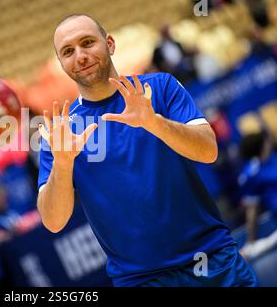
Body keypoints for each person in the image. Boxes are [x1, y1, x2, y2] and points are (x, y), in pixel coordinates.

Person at [37, 14, 257, 287]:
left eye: (87, 43)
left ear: (110, 44)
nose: (80, 56)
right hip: (141, 281)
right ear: (61, 64)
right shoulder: (60, 133)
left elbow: (208, 150)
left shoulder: (160, 88)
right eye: (68, 51)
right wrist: (63, 162)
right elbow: (53, 221)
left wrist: (154, 122)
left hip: (213, 259)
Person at [238, 131, 277, 260]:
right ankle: (251, 250)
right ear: (262, 146)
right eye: (266, 141)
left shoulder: (274, 158)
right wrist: (251, 240)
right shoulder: (251, 174)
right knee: (252, 251)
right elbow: (252, 210)